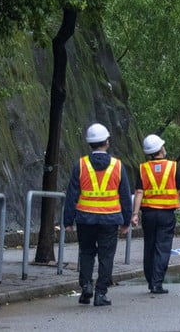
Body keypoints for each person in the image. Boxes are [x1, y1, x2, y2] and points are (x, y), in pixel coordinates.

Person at [63, 123, 132, 307]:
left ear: (89, 143)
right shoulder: (117, 166)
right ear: (107, 142)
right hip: (110, 219)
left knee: (86, 252)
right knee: (106, 256)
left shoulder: (81, 164)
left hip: (85, 218)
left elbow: (72, 194)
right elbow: (125, 196)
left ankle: (86, 286)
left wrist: (67, 220)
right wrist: (127, 220)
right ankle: (101, 293)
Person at [132, 134, 180, 295]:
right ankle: (157, 283)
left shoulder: (143, 168)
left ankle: (151, 280)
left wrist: (135, 214)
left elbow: (139, 192)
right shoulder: (173, 167)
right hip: (166, 214)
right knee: (162, 247)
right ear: (161, 149)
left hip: (148, 213)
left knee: (149, 246)